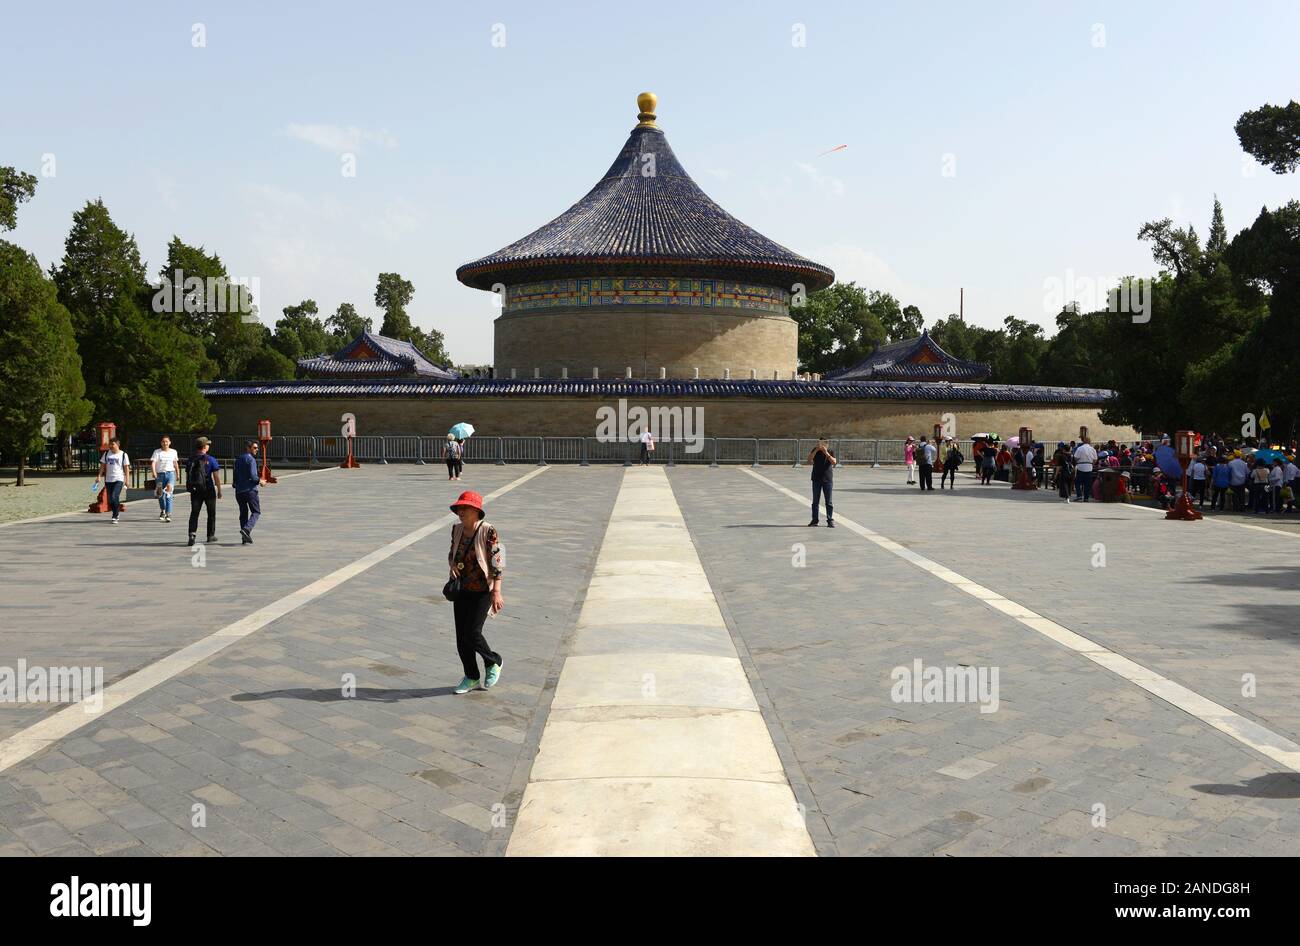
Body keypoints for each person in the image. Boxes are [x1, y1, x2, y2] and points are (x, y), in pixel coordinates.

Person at [447, 491, 505, 694]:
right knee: (461, 638)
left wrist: (497, 592)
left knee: (473, 632)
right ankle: (471, 677)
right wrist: (452, 564)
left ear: (476, 511)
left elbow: (498, 562)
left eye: (465, 508)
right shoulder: (456, 529)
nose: (460, 512)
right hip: (462, 589)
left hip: (483, 591)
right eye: (459, 508)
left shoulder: (488, 531)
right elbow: (451, 552)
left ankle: (493, 661)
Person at [186, 437, 222, 546]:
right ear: (205, 447)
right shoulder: (210, 459)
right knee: (211, 513)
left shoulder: (191, 459)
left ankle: (192, 534)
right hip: (208, 489)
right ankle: (210, 535)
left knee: (194, 513)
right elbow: (216, 477)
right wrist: (219, 490)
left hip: (195, 490)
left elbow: (188, 475)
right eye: (208, 445)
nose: (209, 446)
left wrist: (190, 487)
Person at [234, 439, 262, 544]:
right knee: (256, 511)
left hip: (239, 491)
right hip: (250, 490)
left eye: (257, 448)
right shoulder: (251, 460)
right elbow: (253, 476)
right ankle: (246, 529)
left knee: (243, 513)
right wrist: (260, 481)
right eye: (254, 448)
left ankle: (244, 537)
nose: (257, 450)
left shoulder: (238, 459)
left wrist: (235, 484)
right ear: (248, 448)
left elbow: (235, 475)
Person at [96, 438, 131, 523]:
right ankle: (116, 511)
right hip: (108, 479)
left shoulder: (123, 455)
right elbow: (102, 466)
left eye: (113, 444)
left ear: (118, 445)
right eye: (110, 444)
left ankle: (115, 515)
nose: (111, 446)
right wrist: (99, 476)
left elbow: (126, 468)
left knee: (115, 496)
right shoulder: (107, 453)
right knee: (110, 499)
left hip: (118, 479)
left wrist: (127, 480)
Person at [806, 438, 837, 526]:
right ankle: (815, 520)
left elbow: (834, 462)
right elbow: (808, 460)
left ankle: (830, 520)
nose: (821, 445)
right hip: (816, 478)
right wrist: (816, 450)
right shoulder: (815, 450)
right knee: (815, 501)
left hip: (827, 479)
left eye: (823, 443)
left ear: (827, 444)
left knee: (829, 502)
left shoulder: (830, 451)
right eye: (819, 443)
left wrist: (826, 452)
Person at [150, 435, 179, 523]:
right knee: (160, 494)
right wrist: (154, 472)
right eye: (163, 441)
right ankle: (163, 510)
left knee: (169, 494)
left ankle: (168, 513)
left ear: (170, 442)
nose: (165, 443)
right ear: (161, 443)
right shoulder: (157, 452)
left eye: (166, 441)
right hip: (160, 475)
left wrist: (177, 474)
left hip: (170, 474)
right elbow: (153, 463)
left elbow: (175, 463)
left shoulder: (173, 452)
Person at [1073, 438, 1098, 502]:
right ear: (1089, 442)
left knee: (1077, 482)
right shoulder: (1092, 449)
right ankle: (1086, 498)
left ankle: (1079, 495)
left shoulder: (1080, 448)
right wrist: (1092, 464)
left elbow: (1075, 458)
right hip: (1089, 467)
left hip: (1080, 466)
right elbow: (1095, 459)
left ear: (1083, 441)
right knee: (1087, 484)